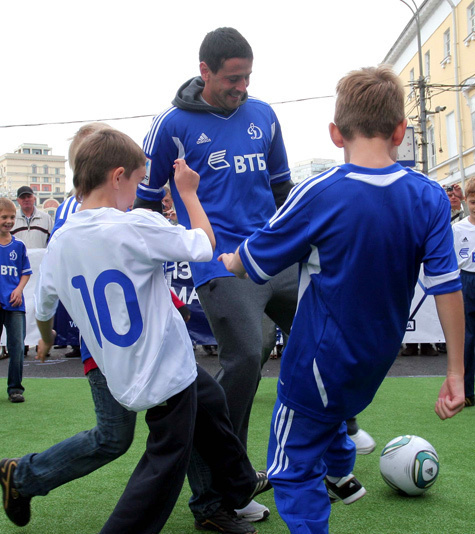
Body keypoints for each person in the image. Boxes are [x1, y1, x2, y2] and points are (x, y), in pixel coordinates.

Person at [218, 65, 465, 534]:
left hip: (316, 359)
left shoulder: (318, 191)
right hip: (376, 359)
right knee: (334, 410)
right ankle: (342, 471)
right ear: (400, 131)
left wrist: (226, 259)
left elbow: (254, 261)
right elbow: (446, 286)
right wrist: (455, 372)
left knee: (290, 462)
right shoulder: (430, 196)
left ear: (335, 134)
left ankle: (322, 497)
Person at [1, 128, 269, 534]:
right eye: (141, 180)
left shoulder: (59, 242)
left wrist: (48, 339)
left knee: (209, 400)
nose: (142, 192)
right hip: (160, 362)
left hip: (122, 364)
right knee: (161, 457)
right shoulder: (136, 225)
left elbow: (46, 308)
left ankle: (237, 486)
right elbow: (204, 245)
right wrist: (189, 193)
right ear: (118, 176)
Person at [138, 26, 298, 523]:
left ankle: (328, 451)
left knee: (326, 325)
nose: (242, 86)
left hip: (271, 256)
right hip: (216, 262)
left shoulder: (264, 115)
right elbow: (143, 206)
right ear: (204, 71)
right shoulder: (171, 125)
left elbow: (282, 190)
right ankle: (215, 492)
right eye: (233, 78)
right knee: (249, 354)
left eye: (248, 76)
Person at [0, 198, 32, 403]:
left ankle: (15, 389)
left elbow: (26, 272)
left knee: (17, 347)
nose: (8, 221)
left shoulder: (19, 245)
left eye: (12, 217)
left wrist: (19, 289)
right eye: (4, 217)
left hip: (14, 305)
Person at [452, 177, 475, 407]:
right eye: (473, 201)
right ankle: (468, 390)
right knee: (468, 337)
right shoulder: (458, 228)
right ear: (466, 201)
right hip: (467, 280)